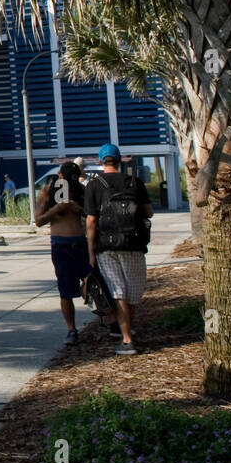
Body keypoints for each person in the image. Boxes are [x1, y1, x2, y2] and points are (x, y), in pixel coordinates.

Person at [85, 143, 153, 355]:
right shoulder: (135, 181)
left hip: (107, 246)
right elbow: (149, 212)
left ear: (100, 161)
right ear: (120, 159)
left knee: (118, 292)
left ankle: (126, 339)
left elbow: (91, 222)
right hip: (134, 244)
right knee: (131, 294)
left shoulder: (95, 185)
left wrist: (91, 251)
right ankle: (127, 330)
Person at [36, 160, 88, 344]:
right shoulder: (47, 192)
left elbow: (91, 215)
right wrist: (57, 209)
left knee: (93, 281)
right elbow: (38, 220)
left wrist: (79, 209)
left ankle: (112, 321)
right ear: (59, 177)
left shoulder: (81, 190)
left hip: (81, 243)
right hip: (61, 245)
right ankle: (71, 329)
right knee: (65, 291)